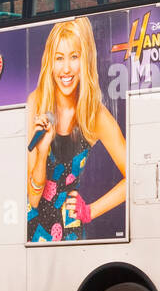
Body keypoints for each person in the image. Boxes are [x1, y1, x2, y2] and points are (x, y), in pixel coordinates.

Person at [27, 17, 126, 243]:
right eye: (59, 59)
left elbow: (135, 177)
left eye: (74, 57)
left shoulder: (95, 115)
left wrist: (90, 211)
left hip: (71, 235)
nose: (66, 69)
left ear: (85, 60)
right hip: (32, 235)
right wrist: (42, 152)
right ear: (50, 64)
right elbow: (33, 199)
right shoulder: (37, 103)